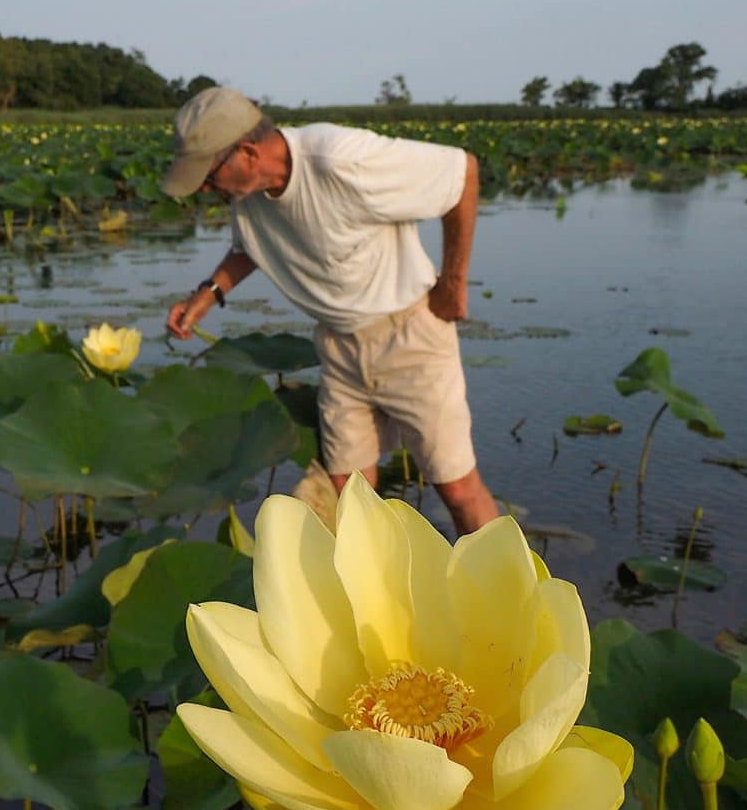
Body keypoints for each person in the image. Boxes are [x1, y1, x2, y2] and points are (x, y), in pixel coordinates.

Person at [163, 86, 498, 535]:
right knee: (347, 491)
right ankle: (372, 575)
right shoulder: (246, 196)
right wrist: (205, 296)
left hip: (410, 336)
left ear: (247, 153)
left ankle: (508, 576)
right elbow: (250, 248)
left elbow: (462, 172)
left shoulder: (340, 159)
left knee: (455, 486)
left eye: (207, 175)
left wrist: (453, 282)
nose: (204, 188)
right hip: (338, 345)